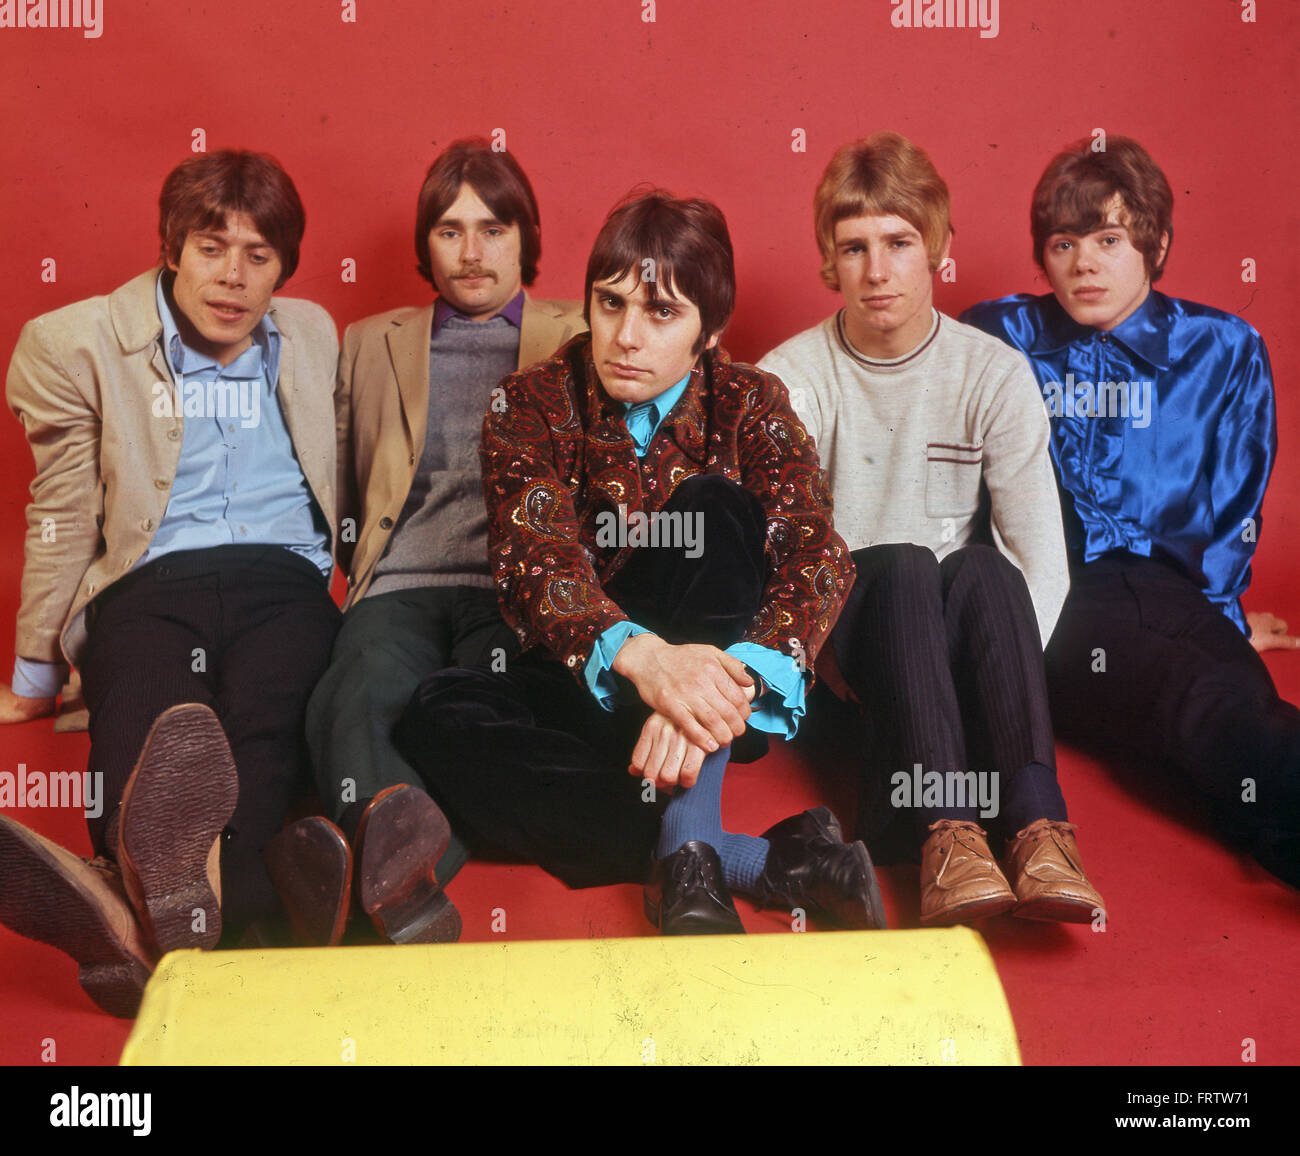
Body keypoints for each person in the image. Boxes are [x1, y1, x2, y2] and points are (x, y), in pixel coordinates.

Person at [393, 190, 885, 935]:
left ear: (708, 331)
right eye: (611, 303)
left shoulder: (753, 400)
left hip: (729, 690)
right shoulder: (528, 402)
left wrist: (724, 678)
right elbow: (538, 558)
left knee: (713, 511)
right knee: (439, 717)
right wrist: (648, 662)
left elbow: (814, 552)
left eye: (660, 313)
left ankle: (689, 851)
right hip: (592, 678)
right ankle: (761, 860)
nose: (626, 335)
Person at [0, 149, 342, 1016]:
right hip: (150, 582)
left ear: (283, 269)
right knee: (149, 725)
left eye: (258, 255)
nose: (233, 277)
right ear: (170, 248)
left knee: (271, 724)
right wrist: (36, 673)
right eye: (210, 247)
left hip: (283, 579)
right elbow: (61, 515)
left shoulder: (310, 334)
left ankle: (137, 918)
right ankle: (224, 921)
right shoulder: (72, 343)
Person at [760, 132, 1106, 927]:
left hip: (957, 650)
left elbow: (1039, 566)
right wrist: (820, 659)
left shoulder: (992, 372)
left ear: (938, 251)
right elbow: (784, 557)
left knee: (986, 572)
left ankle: (1037, 827)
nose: (877, 271)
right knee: (910, 562)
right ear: (828, 261)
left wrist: (994, 680)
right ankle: (947, 838)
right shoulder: (790, 378)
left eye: (899, 243)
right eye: (854, 248)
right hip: (850, 645)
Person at [962, 134, 1300, 889]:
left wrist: (1225, 617)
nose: (1084, 263)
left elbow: (1234, 500)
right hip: (1053, 597)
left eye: (1109, 239)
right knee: (1199, 699)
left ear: (1156, 243)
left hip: (1172, 592)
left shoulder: (1226, 348)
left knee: (1236, 698)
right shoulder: (999, 335)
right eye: (1064, 243)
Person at [271, 140, 585, 947]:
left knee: (484, 713)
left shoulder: (582, 333)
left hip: (513, 590)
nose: (472, 252)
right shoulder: (371, 339)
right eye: (450, 231)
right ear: (426, 243)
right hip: (399, 581)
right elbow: (339, 479)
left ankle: (379, 888)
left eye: (493, 228)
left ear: (526, 238)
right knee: (357, 693)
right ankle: (399, 884)